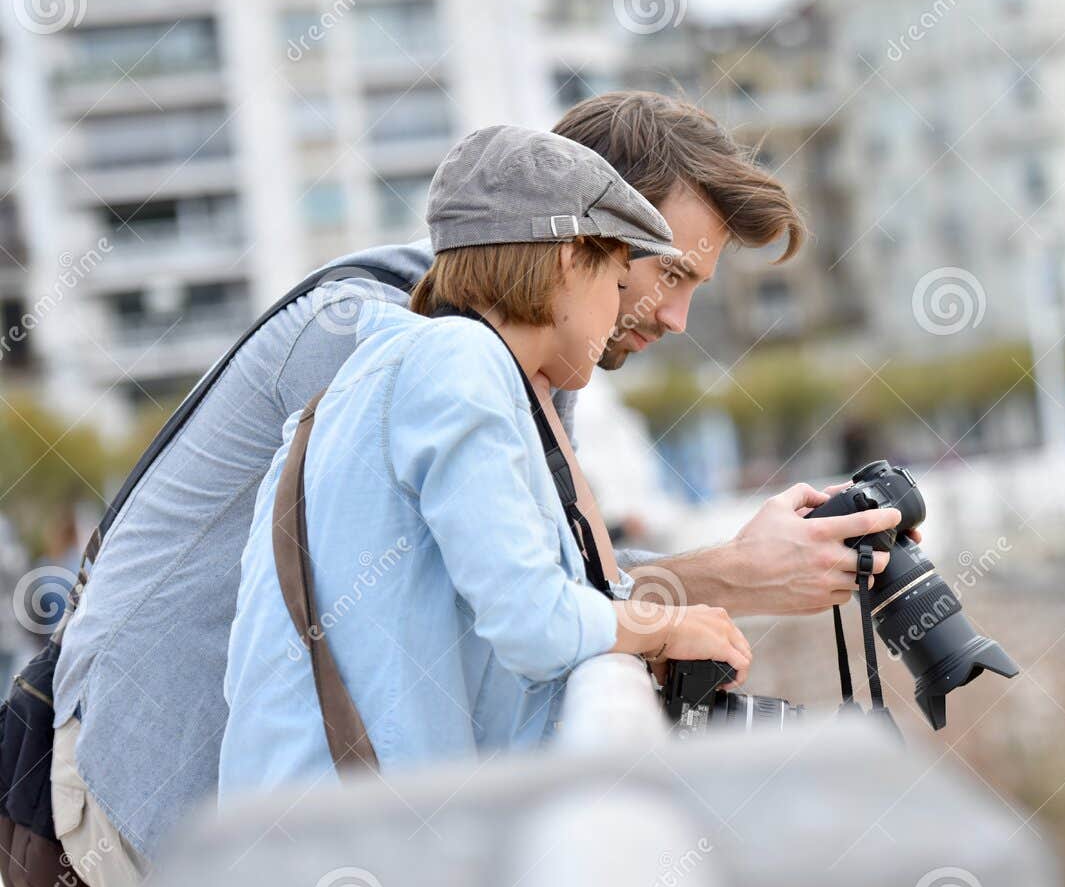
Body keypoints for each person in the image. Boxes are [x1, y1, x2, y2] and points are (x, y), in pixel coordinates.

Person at [47, 91, 901, 887]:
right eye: (667, 270)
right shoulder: (390, 340)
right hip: (165, 780)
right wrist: (729, 579)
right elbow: (515, 600)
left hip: (303, 815)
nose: (676, 317)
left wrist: (729, 579)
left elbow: (514, 583)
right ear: (583, 228)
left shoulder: (504, 354)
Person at [220, 128, 753, 798]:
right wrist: (669, 626)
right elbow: (533, 621)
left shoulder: (407, 368)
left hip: (325, 824)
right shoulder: (457, 361)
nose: (624, 306)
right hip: (339, 834)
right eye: (618, 280)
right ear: (569, 259)